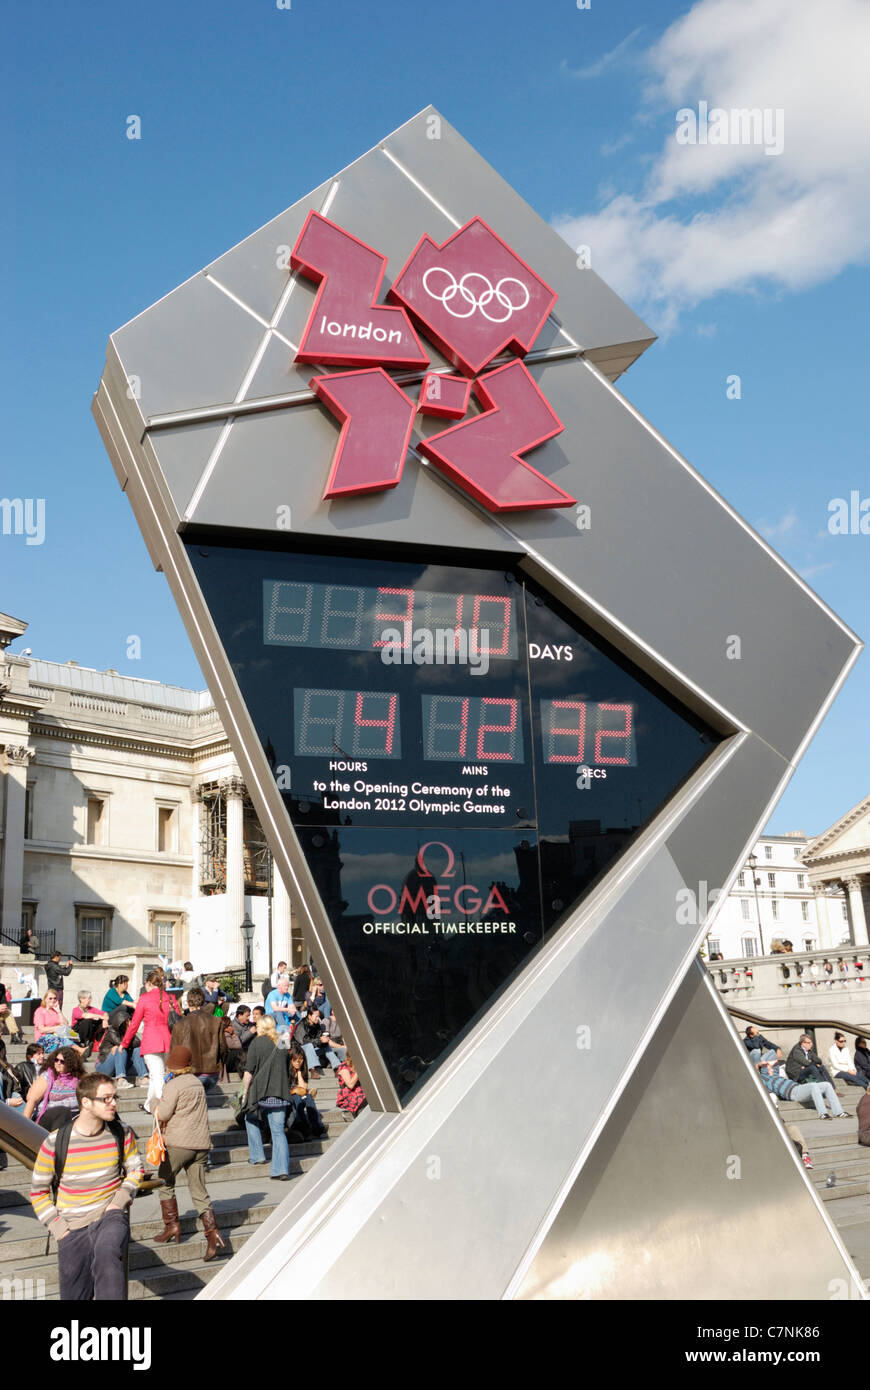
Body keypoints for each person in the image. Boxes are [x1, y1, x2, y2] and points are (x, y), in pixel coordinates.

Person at [29, 1072, 143, 1301]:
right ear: (86, 1102)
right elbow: (38, 1192)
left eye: (115, 1097)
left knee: (107, 1252)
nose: (114, 1103)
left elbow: (136, 1170)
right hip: (72, 1228)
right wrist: (61, 1231)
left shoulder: (121, 1133)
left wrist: (118, 1202)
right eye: (106, 1098)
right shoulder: (55, 1142)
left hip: (109, 1216)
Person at [152, 1043, 225, 1260]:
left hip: (179, 1142)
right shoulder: (196, 1083)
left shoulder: (174, 1085)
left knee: (165, 1181)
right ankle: (213, 1233)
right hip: (201, 1144)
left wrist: (155, 1107)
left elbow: (163, 1114)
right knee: (199, 1190)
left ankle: (172, 1227)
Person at [121, 967, 181, 1115]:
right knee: (158, 1075)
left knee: (157, 1075)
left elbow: (134, 1024)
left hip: (150, 1040)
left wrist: (124, 1043)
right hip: (168, 1040)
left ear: (149, 983)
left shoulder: (144, 998)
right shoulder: (171, 998)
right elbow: (179, 1020)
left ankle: (162, 1106)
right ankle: (149, 1105)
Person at [241, 1016, 292, 1179]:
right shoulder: (283, 1042)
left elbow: (249, 1071)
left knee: (250, 1117)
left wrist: (244, 1091)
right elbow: (287, 1065)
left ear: (262, 1027)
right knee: (278, 1132)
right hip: (280, 1091)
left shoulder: (257, 1042)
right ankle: (281, 1169)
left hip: (261, 1092)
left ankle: (257, 1155)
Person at [758, 1047, 848, 1120]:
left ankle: (839, 1112)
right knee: (813, 1086)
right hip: (793, 1093)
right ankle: (823, 1113)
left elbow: (773, 1053)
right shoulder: (766, 1080)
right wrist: (761, 1065)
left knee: (827, 1085)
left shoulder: (776, 1074)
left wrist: (771, 1062)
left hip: (799, 1088)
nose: (772, 1067)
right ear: (764, 1069)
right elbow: (759, 1066)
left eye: (773, 1065)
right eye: (769, 1066)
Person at [169, 987, 227, 1092]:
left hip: (189, 1072)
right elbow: (223, 1048)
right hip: (211, 1071)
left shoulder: (180, 1024)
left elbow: (174, 1051)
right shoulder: (216, 1021)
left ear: (188, 1002)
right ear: (203, 1001)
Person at [25, 1046, 86, 1128]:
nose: (58, 1063)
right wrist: (24, 1128)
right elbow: (32, 1100)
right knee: (62, 1112)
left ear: (70, 1063)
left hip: (73, 1119)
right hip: (49, 1119)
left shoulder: (79, 1080)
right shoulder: (48, 1076)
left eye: (62, 1061)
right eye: (56, 1060)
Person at [287, 1048, 328, 1139]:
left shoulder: (302, 1071)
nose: (298, 1062)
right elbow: (285, 1089)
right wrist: (294, 1091)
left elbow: (303, 1088)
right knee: (297, 1098)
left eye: (300, 1059)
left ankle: (317, 1127)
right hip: (289, 1097)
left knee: (308, 1097)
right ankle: (305, 1126)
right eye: (295, 1059)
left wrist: (299, 1074)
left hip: (300, 1095)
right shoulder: (286, 1071)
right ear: (291, 1060)